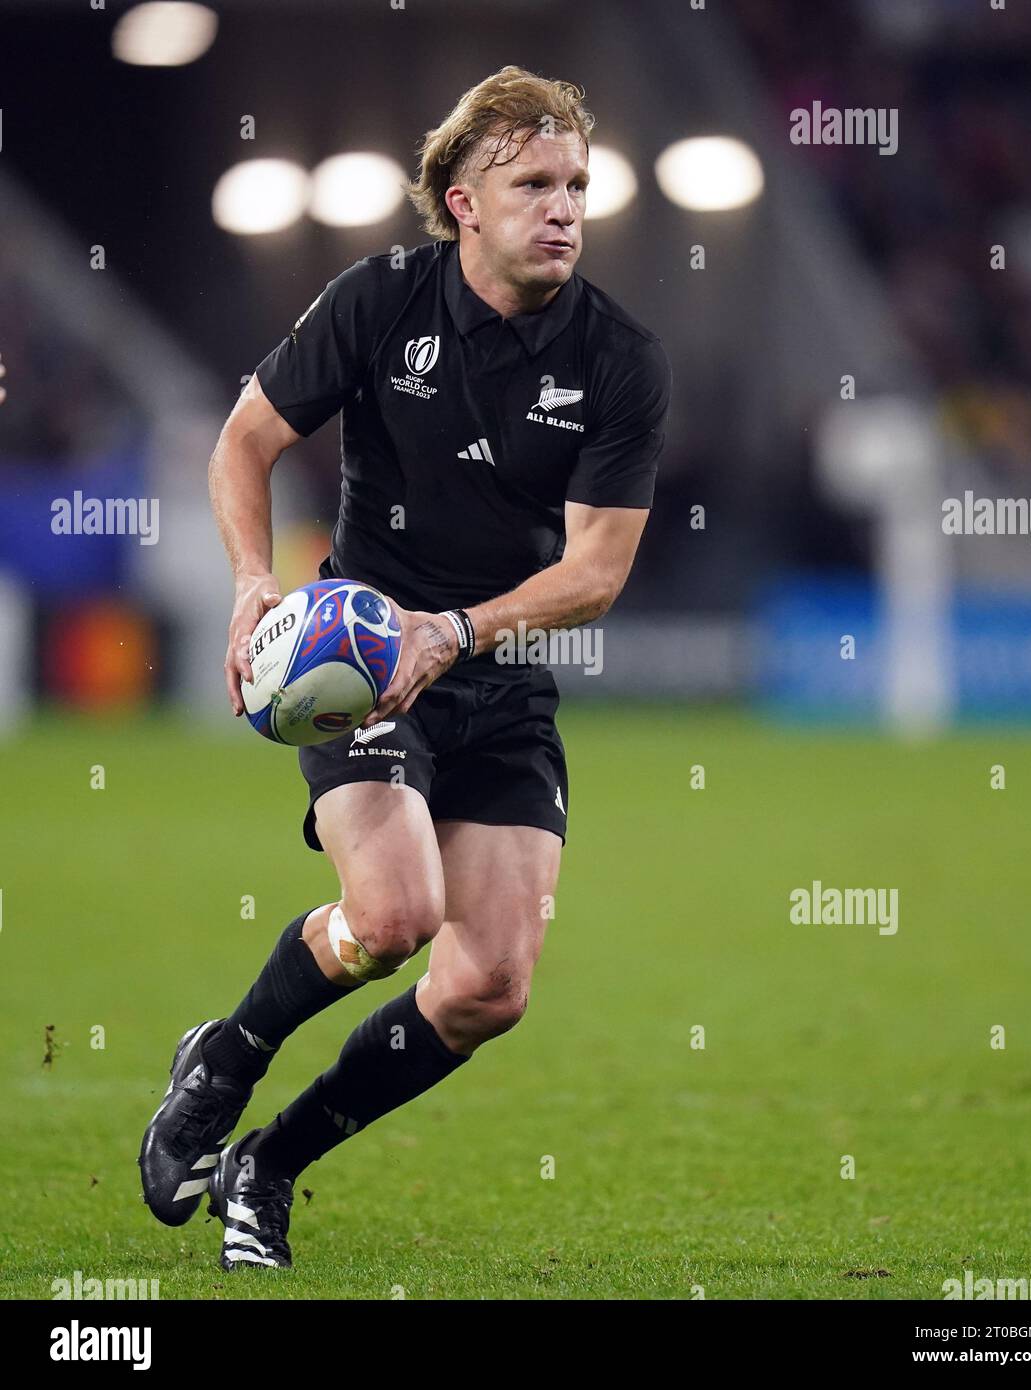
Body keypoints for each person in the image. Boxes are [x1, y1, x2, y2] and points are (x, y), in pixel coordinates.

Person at [139, 64, 671, 1271]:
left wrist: (463, 632)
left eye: (577, 184)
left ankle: (267, 1167)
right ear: (460, 200)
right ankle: (223, 1060)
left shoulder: (620, 357)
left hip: (492, 667)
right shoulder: (380, 300)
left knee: (489, 984)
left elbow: (594, 572)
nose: (564, 207)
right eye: (533, 181)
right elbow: (246, 439)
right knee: (391, 917)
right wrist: (250, 583)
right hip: (358, 646)